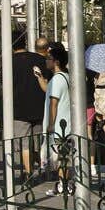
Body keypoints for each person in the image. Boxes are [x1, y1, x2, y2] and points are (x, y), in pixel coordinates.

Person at [10, 28, 46, 186]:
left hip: (19, 108)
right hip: (39, 106)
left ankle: (27, 172)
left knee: (24, 143)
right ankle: (45, 168)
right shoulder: (38, 59)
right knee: (37, 142)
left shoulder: (9, 62)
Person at [44, 43, 73, 197]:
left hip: (59, 126)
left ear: (56, 62)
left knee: (60, 158)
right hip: (67, 123)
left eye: (48, 58)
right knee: (64, 157)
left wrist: (50, 124)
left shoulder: (57, 80)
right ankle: (65, 184)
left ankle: (63, 185)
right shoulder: (67, 77)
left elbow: (53, 104)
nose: (46, 61)